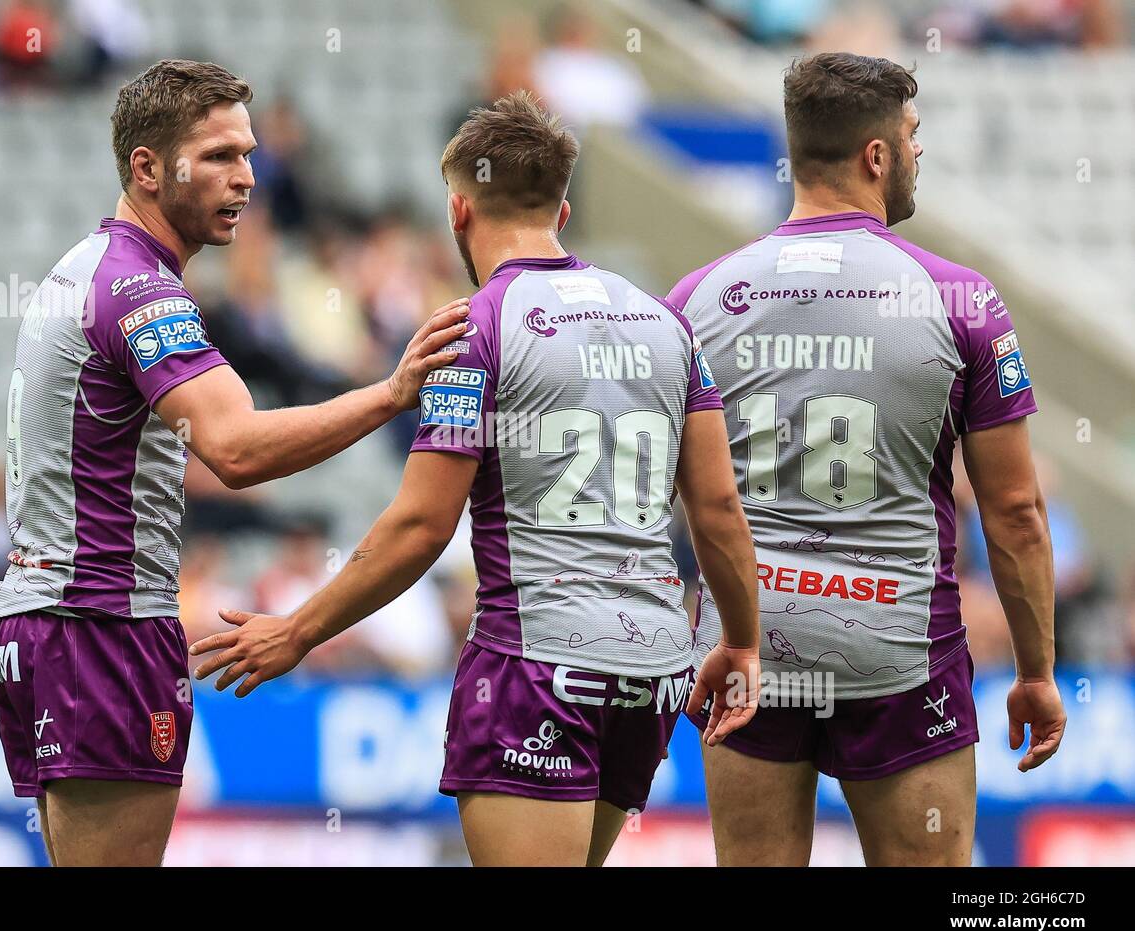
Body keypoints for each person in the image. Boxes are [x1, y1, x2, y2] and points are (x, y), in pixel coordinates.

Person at [191, 90, 761, 867]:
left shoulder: (477, 330)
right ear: (563, 213)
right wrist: (741, 641)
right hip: (650, 671)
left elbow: (423, 525)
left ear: (458, 211)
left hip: (538, 664)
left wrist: (299, 629)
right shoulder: (666, 323)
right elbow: (720, 507)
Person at [0, 59, 467, 867]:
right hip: (100, 626)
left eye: (247, 155)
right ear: (146, 167)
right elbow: (235, 449)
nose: (246, 178)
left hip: (50, 620)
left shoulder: (89, 269)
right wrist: (391, 393)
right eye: (218, 157)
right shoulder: (142, 291)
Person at [667, 52, 1066, 866]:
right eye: (913, 137)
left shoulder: (696, 299)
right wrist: (1037, 671)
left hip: (752, 645)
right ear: (876, 157)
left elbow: (658, 492)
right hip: (896, 648)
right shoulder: (961, 300)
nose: (920, 154)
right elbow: (1016, 513)